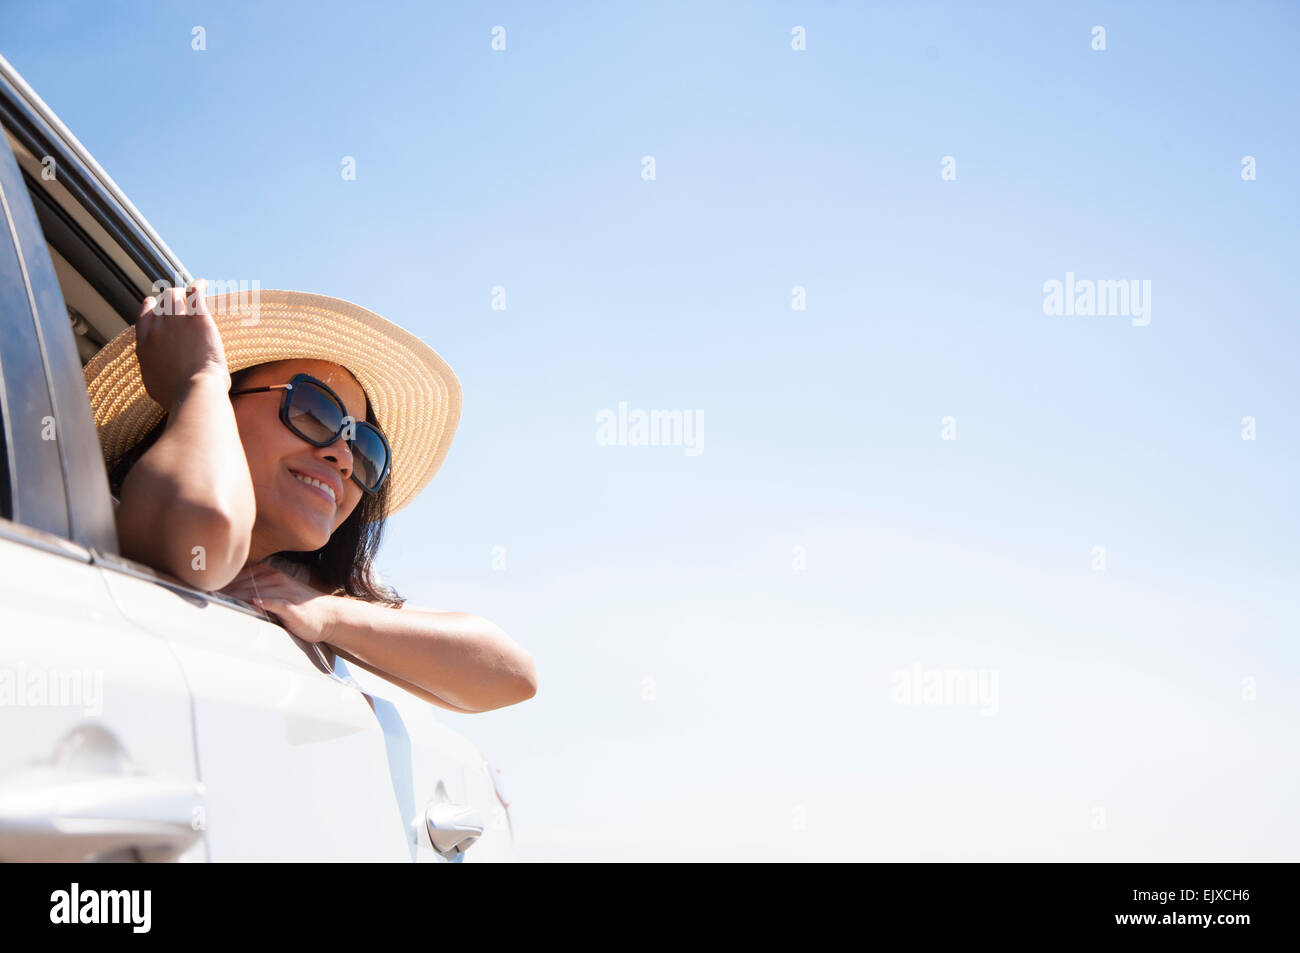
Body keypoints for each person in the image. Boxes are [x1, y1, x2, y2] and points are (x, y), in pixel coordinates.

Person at [83, 281, 537, 714]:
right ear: (225, 404)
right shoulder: (92, 512)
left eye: (364, 448)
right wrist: (200, 383)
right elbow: (205, 531)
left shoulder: (303, 589)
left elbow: (512, 674)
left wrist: (326, 613)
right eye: (315, 411)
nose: (343, 457)